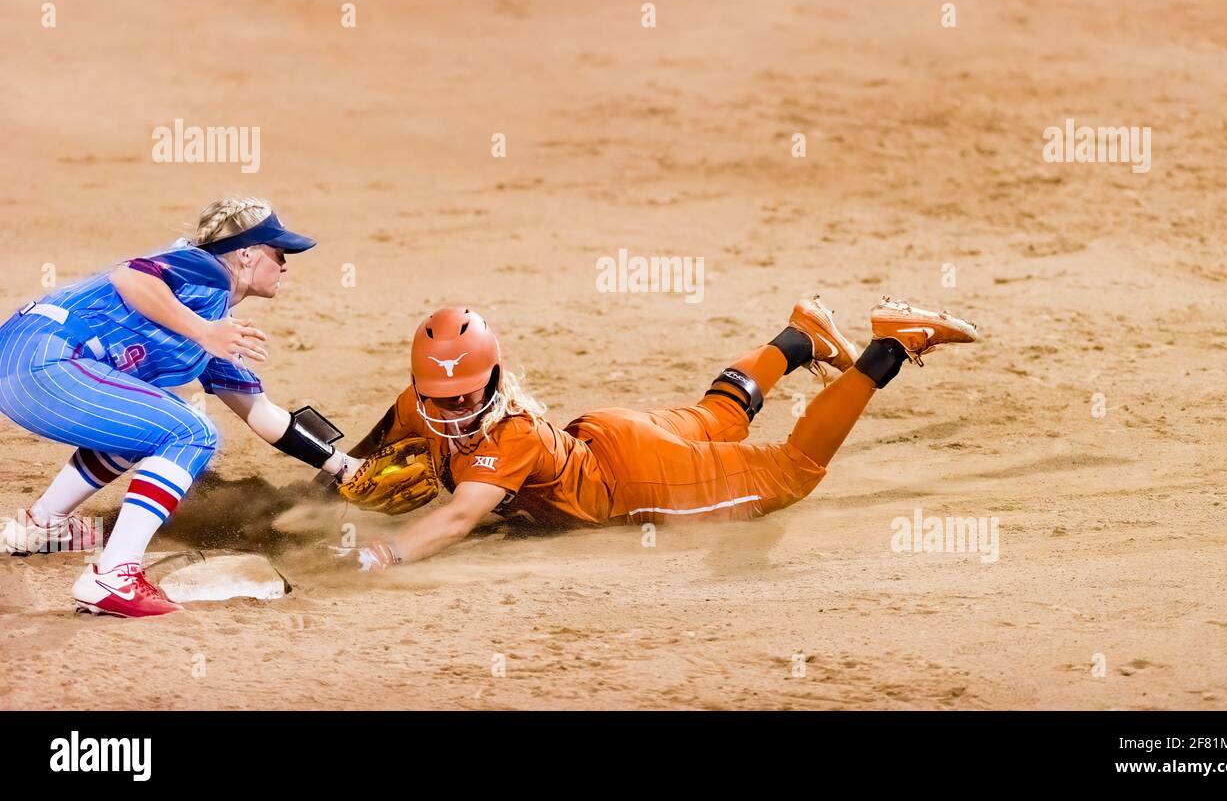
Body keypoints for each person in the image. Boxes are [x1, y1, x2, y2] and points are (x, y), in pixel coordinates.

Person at [335, 296, 977, 571]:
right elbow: (367, 452)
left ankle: (892, 343)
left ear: (494, 376)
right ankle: (802, 335)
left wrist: (380, 556)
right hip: (611, 433)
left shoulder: (510, 433)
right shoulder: (412, 405)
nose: (453, 404)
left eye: (468, 392)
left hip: (638, 479)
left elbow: (455, 519)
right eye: (440, 395)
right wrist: (328, 484)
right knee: (720, 417)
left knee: (791, 470)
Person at [0, 197, 360, 616]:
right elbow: (130, 276)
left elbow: (261, 414)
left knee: (149, 426)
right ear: (244, 254)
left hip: (29, 365)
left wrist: (346, 467)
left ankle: (40, 526)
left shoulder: (215, 322)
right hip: (44, 360)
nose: (284, 264)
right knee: (191, 431)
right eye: (278, 252)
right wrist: (204, 332)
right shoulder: (207, 270)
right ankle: (112, 578)